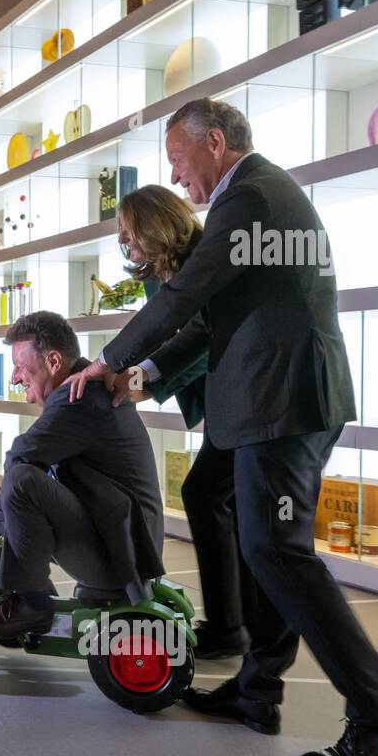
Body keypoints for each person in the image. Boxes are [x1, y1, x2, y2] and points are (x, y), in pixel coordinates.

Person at [67, 98, 378, 756]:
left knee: (278, 552)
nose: (176, 178)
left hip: (282, 401)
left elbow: (183, 300)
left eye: (178, 160)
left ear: (215, 142)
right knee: (259, 538)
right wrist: (142, 371)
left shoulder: (250, 196)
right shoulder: (255, 198)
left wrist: (107, 361)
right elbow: (209, 321)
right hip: (279, 398)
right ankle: (258, 690)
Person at [0, 312, 165, 638]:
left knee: (21, 481)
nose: (14, 378)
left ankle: (31, 604)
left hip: (119, 559)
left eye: (20, 366)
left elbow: (19, 458)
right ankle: (32, 590)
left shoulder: (80, 395)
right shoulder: (83, 387)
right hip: (113, 532)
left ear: (54, 361)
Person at [115, 185, 253, 660]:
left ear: (154, 227)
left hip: (245, 395)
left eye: (129, 233)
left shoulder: (204, 258)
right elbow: (159, 329)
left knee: (206, 494)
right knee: (227, 503)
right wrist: (129, 372)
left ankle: (231, 625)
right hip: (225, 398)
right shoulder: (160, 271)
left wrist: (143, 382)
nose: (124, 244)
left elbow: (204, 338)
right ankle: (237, 621)